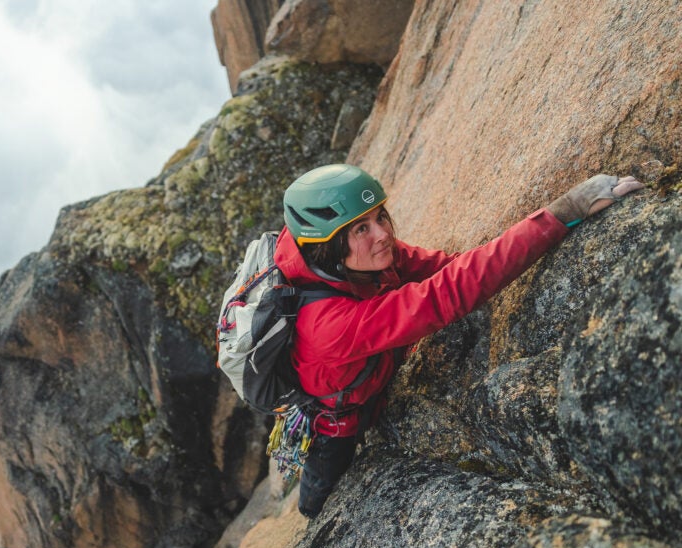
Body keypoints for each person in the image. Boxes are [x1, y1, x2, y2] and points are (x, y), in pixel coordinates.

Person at [275, 164, 643, 519]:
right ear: (326, 246)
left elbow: (452, 270)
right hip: (337, 418)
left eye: (380, 217)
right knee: (318, 498)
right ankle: (308, 507)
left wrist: (548, 225)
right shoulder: (328, 325)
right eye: (361, 229)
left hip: (371, 376)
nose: (383, 234)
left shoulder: (358, 258)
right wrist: (562, 213)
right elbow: (445, 295)